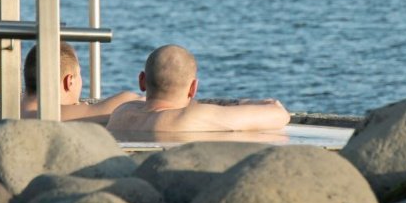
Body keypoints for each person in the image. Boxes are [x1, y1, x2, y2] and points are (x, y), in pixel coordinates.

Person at [107, 45, 290, 133]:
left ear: (142, 81)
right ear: (193, 88)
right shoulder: (190, 118)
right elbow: (279, 114)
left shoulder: (122, 112)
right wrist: (247, 102)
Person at [0, 41, 140, 123]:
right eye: (79, 74)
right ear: (69, 81)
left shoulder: (1, 111)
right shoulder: (61, 116)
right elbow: (130, 99)